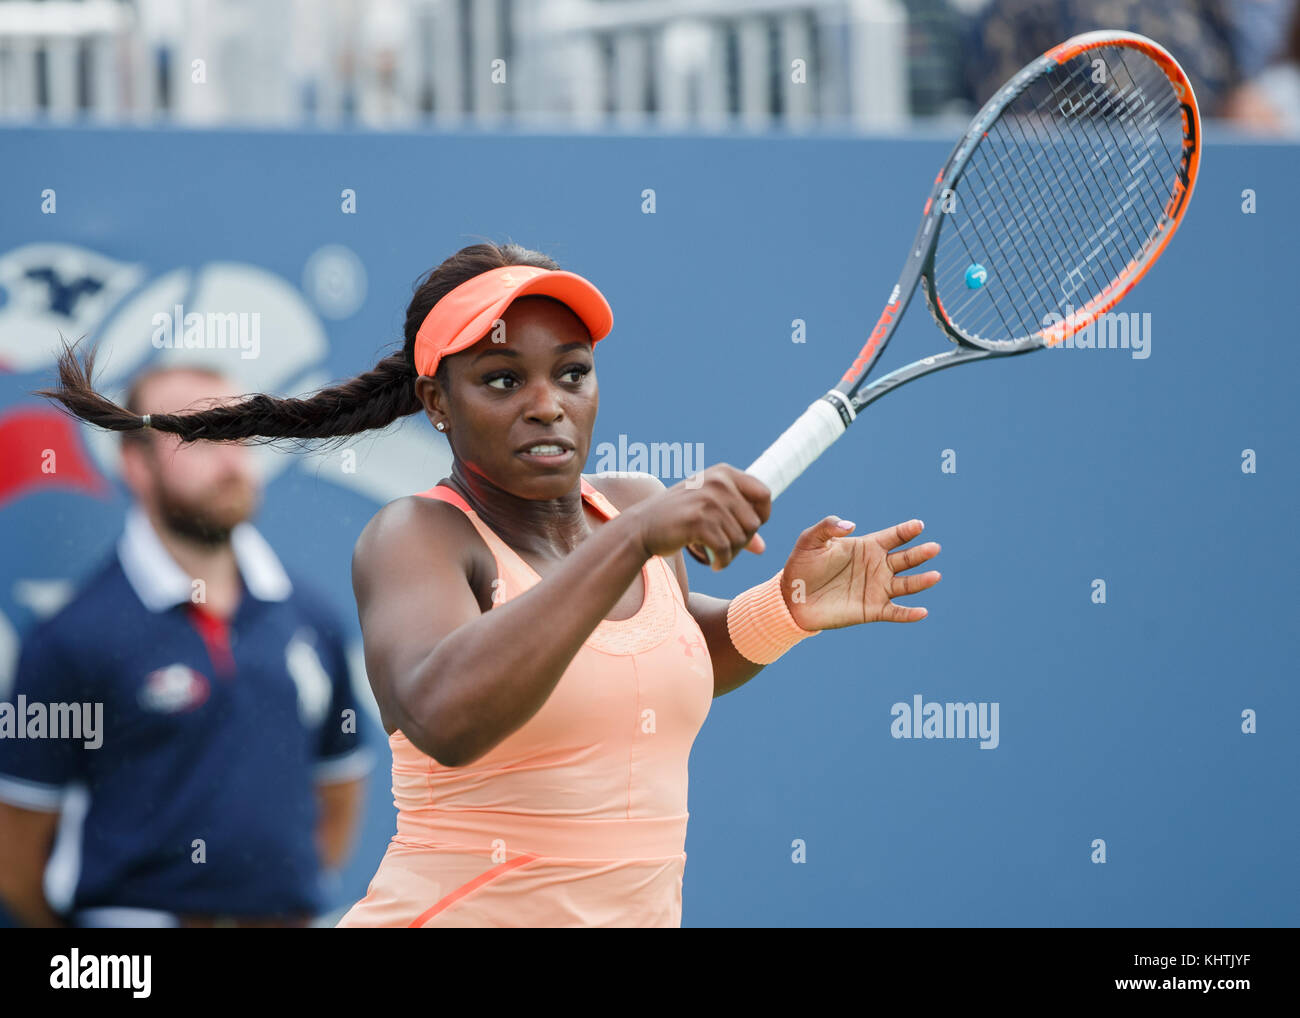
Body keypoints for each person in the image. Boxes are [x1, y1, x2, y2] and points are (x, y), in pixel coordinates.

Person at [33, 242, 942, 927]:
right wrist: (627, 542)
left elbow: (653, 658)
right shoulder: (415, 537)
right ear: (439, 403)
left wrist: (781, 612)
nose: (547, 402)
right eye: (502, 378)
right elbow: (444, 714)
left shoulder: (627, 509)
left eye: (572, 375)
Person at [0, 365, 371, 927]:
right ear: (136, 464)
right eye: (199, 436)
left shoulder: (313, 619)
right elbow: (17, 857)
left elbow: (340, 788)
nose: (228, 459)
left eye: (240, 433)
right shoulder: (70, 641)